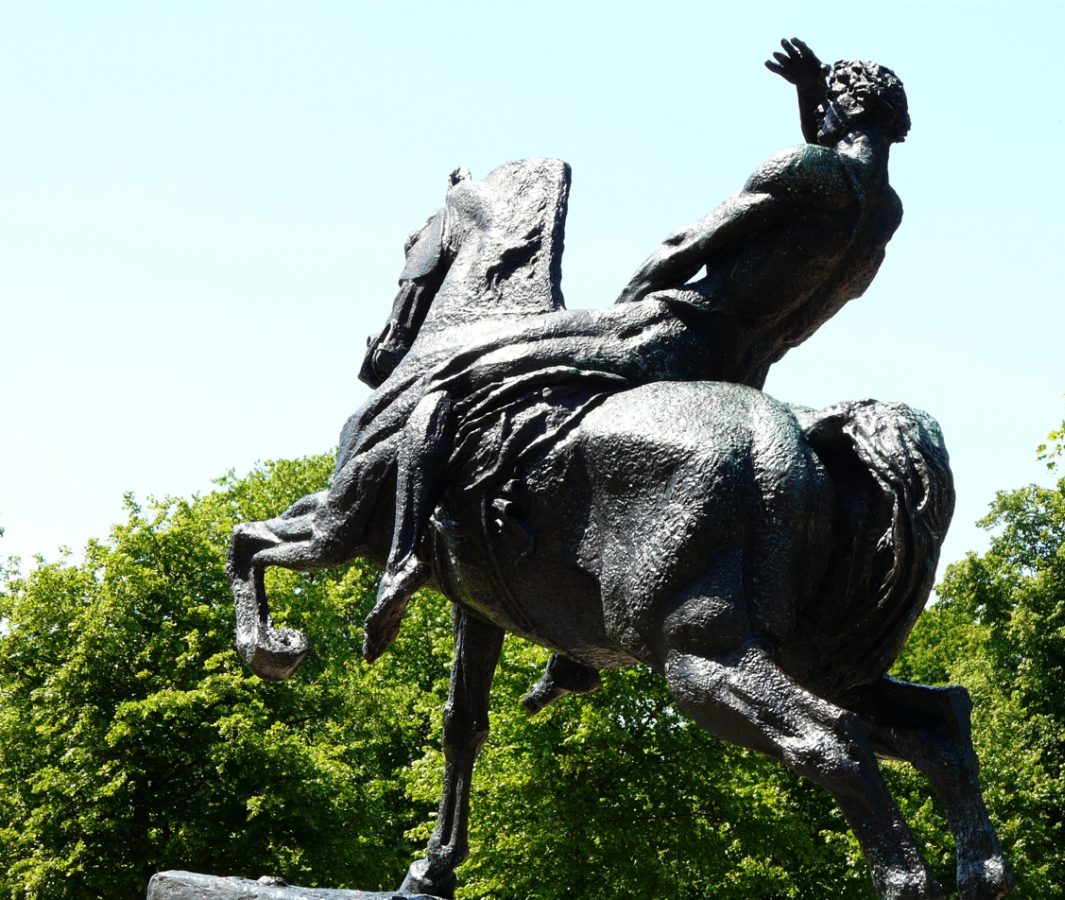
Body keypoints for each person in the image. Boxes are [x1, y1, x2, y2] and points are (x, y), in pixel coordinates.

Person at [348, 40, 912, 685]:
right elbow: (838, 159)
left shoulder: (805, 167)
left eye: (830, 108)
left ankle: (403, 556)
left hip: (669, 336)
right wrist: (812, 95)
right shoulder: (882, 212)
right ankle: (573, 642)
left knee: (458, 379)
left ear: (844, 109)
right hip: (741, 371)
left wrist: (622, 311)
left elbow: (687, 245)